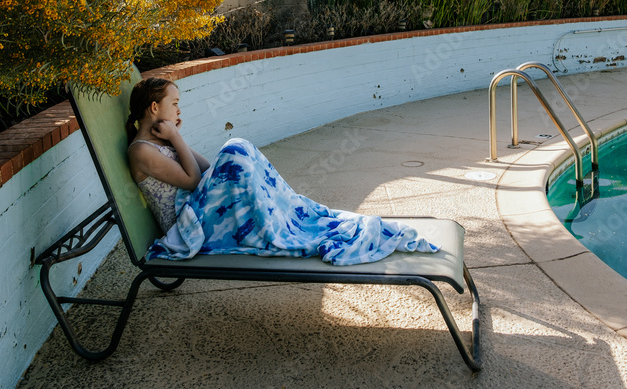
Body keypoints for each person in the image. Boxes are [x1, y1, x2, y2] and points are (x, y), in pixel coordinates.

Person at [126, 77, 438, 266]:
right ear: (155, 108)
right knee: (236, 149)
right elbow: (194, 181)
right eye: (175, 104)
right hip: (187, 226)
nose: (179, 111)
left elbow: (208, 169)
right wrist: (176, 138)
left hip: (199, 209)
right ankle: (281, 222)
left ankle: (286, 214)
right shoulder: (141, 151)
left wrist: (176, 138)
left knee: (238, 150)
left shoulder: (160, 142)